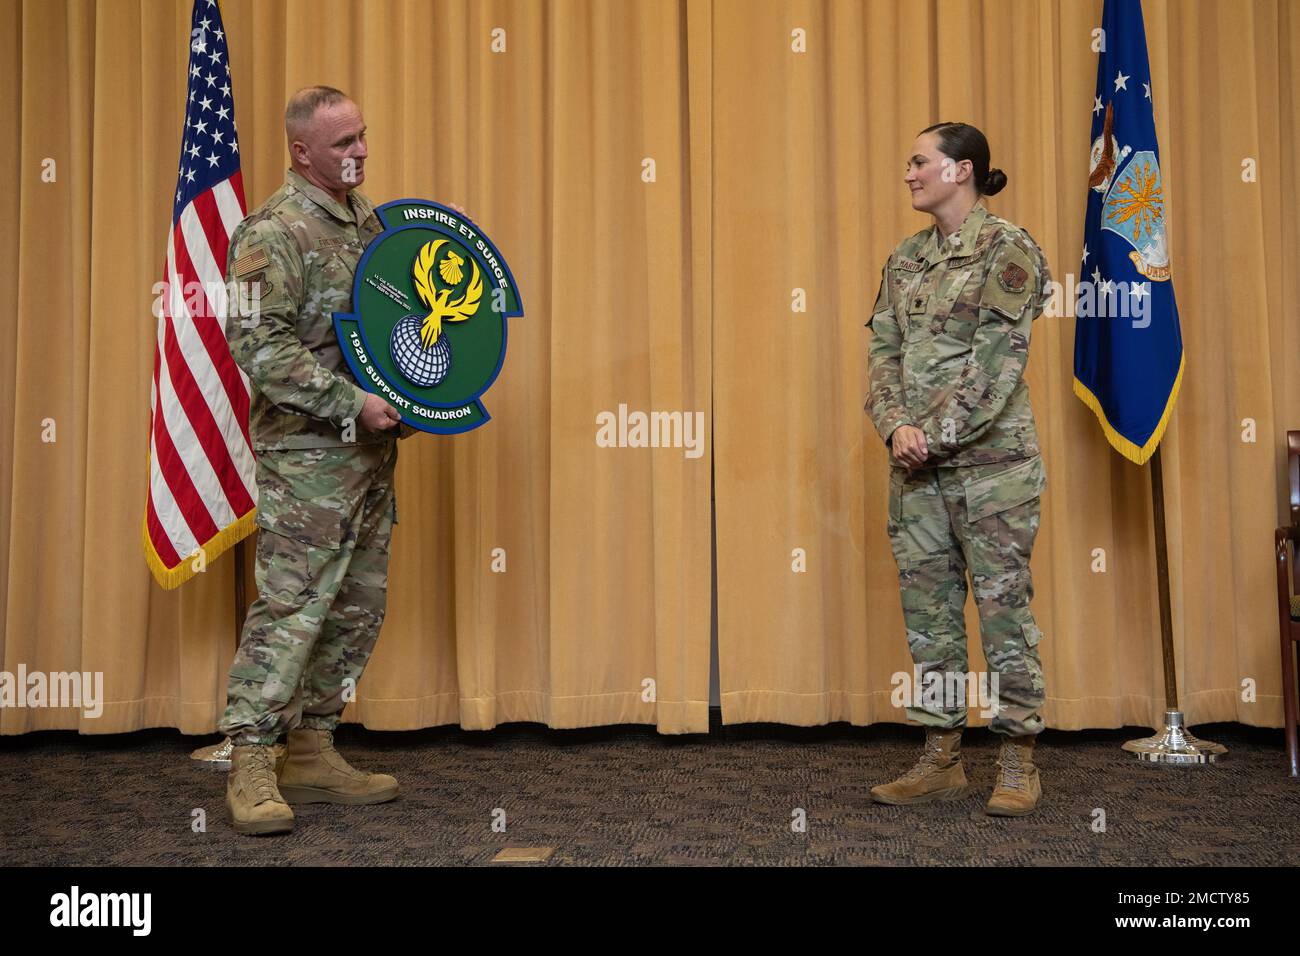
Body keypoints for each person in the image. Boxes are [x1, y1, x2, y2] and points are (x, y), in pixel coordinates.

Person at [220, 86, 405, 835]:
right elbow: (258, 348)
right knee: (292, 608)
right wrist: (348, 403)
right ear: (302, 151)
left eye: (361, 136)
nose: (359, 151)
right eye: (342, 143)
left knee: (356, 605)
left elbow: (388, 329)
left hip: (369, 454)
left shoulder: (370, 221)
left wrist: (414, 397)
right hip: (307, 458)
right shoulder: (273, 232)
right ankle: (252, 759)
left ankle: (313, 748)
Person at [865, 122, 1052, 817]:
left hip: (992, 471)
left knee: (1004, 612)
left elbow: (996, 367)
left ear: (961, 170)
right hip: (916, 472)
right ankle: (941, 757)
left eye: (920, 161)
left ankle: (1017, 761)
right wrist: (895, 427)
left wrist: (929, 436)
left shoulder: (1010, 250)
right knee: (931, 620)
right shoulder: (905, 258)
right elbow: (882, 356)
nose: (909, 173)